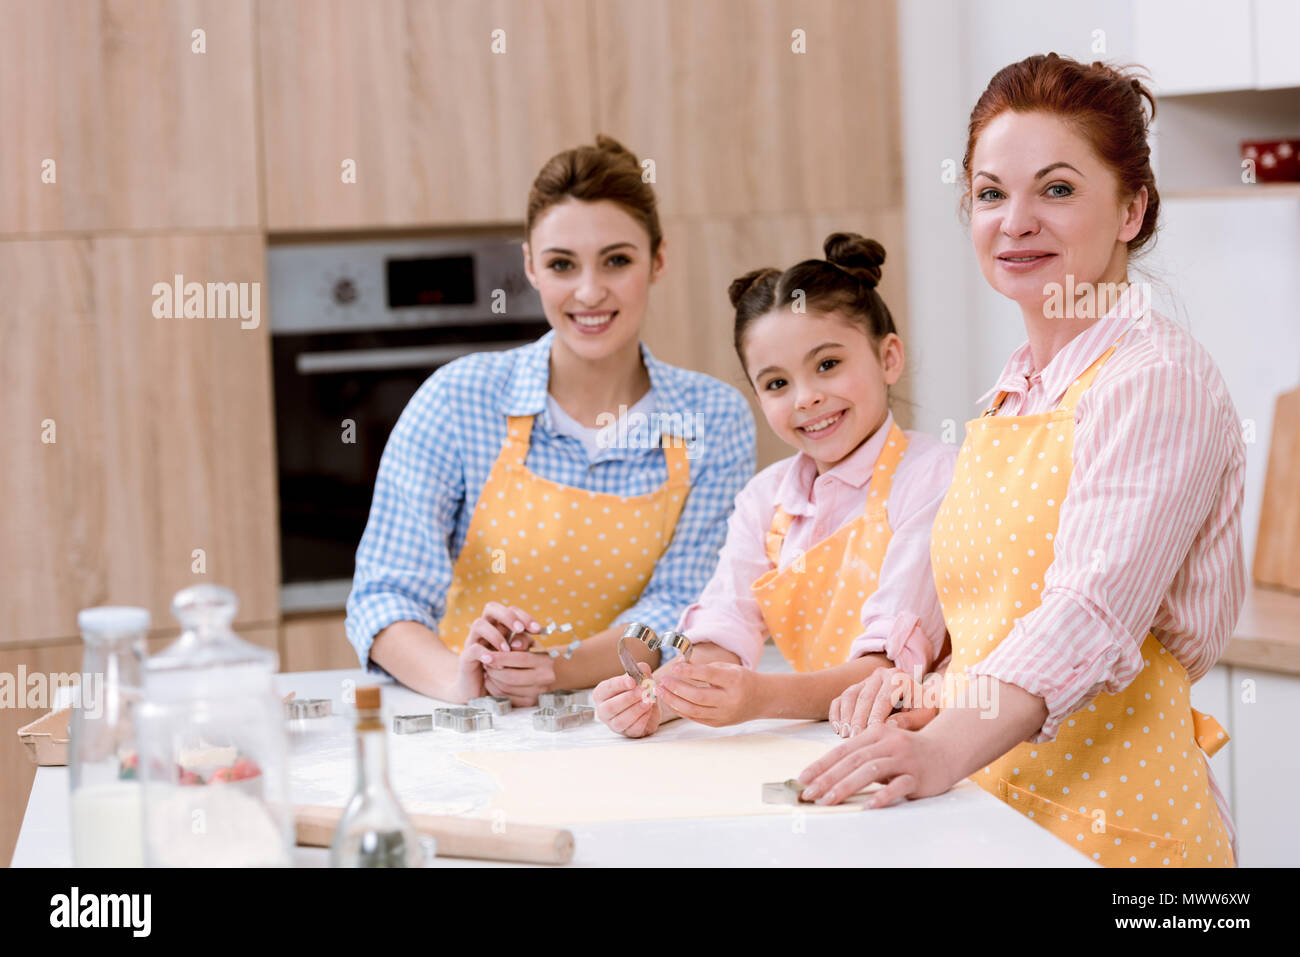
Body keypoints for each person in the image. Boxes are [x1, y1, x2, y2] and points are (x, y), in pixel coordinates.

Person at [798, 54, 1243, 869]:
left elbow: (1089, 614)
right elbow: (993, 619)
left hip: (1122, 833)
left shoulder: (1157, 379)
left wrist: (938, 750)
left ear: (1131, 210)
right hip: (999, 809)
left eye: (1059, 189)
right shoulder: (1017, 389)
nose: (1016, 220)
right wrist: (917, 686)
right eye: (992, 193)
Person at [346, 135, 756, 705]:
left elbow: (684, 605)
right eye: (562, 264)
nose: (590, 292)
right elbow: (385, 595)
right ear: (531, 267)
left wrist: (556, 670)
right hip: (469, 719)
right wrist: (456, 677)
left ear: (658, 260)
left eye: (617, 260)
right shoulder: (458, 399)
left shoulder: (711, 417)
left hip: (627, 719)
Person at [593, 234, 954, 737]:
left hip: (919, 744)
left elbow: (889, 670)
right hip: (820, 740)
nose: (805, 398)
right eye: (777, 383)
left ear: (888, 357)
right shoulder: (765, 499)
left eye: (828, 365)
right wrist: (663, 696)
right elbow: (725, 625)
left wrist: (760, 697)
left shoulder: (935, 477)